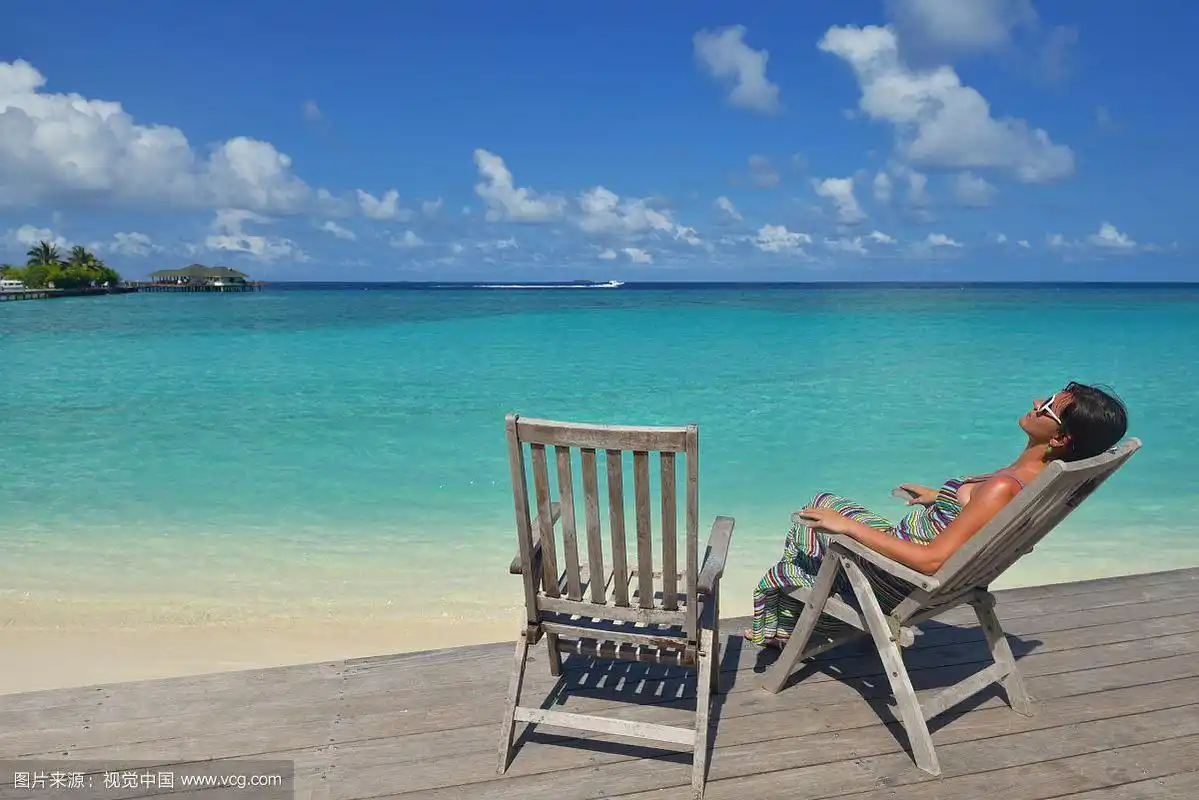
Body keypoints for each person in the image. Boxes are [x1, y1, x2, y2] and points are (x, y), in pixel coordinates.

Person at [745, 382, 1129, 649]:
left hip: (897, 577)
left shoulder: (1004, 488)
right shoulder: (1036, 480)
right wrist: (941, 499)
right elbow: (977, 517)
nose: (1036, 401)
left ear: (1060, 439)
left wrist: (848, 527)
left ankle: (794, 625)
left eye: (1046, 407)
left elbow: (931, 560)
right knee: (824, 502)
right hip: (937, 575)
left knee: (817, 522)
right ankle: (792, 621)